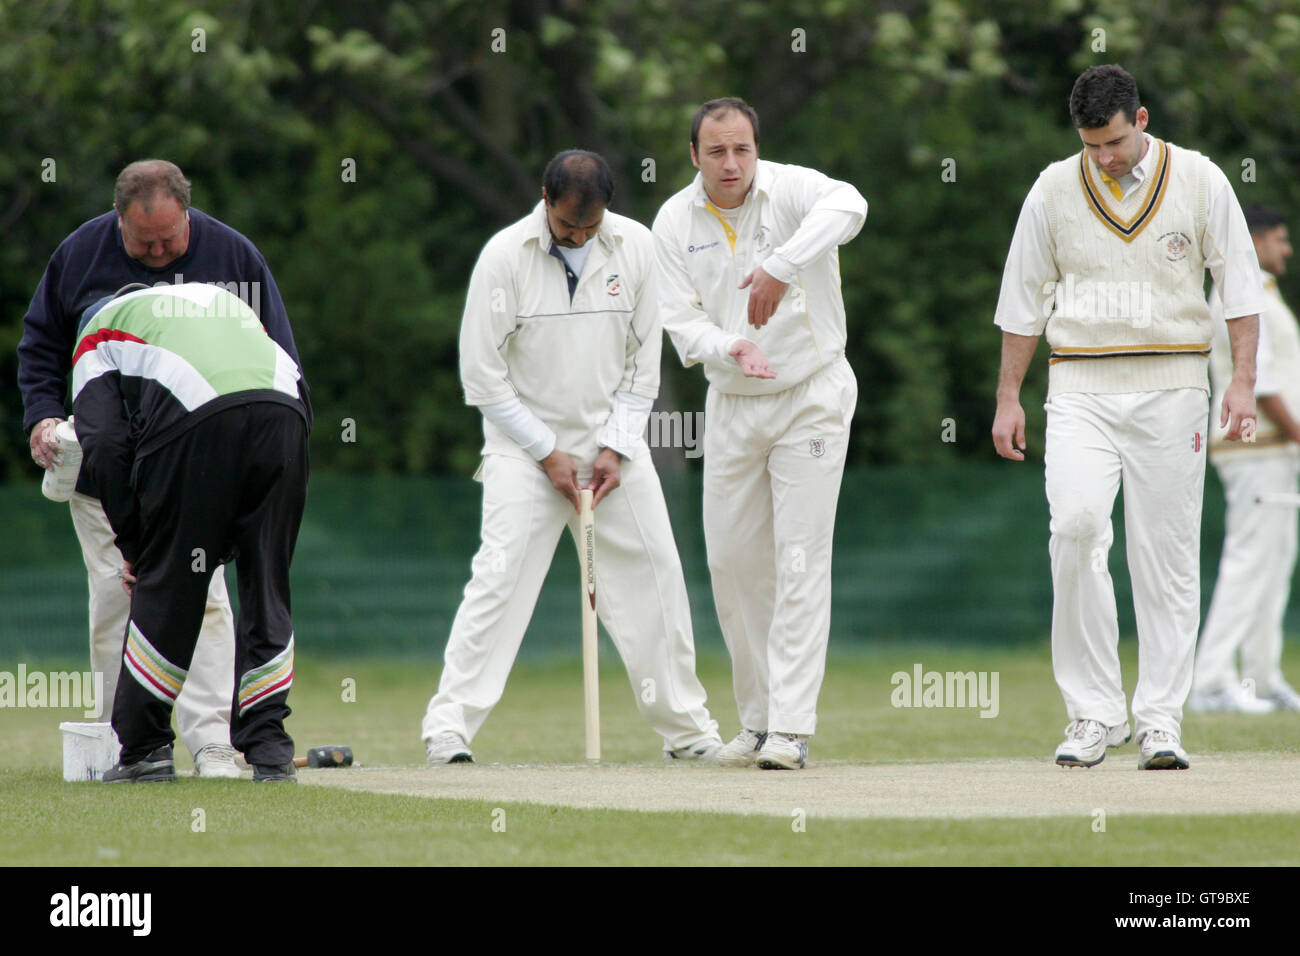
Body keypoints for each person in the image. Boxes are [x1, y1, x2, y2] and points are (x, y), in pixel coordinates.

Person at [991, 65, 1265, 770]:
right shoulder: (1054, 187)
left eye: (1113, 142)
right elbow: (1023, 300)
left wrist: (1240, 383)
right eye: (1091, 146)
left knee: (1167, 555)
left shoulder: (1201, 179)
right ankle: (1092, 713)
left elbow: (1237, 285)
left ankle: (1160, 720)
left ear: (1140, 121)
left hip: (1174, 386)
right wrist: (1006, 397)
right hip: (1080, 385)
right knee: (1075, 528)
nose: (1103, 159)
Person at [421, 150, 723, 763]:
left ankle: (688, 733)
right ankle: (449, 728)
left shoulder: (635, 248)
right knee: (498, 578)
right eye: (568, 229)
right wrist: (545, 451)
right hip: (521, 450)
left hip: (616, 449)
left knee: (659, 577)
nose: (579, 238)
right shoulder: (505, 256)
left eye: (590, 228)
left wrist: (614, 445)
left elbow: (644, 365)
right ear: (545, 200)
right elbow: (481, 378)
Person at [17, 159, 304, 778]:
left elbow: (275, 355)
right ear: (117, 219)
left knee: (207, 602)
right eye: (143, 242)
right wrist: (43, 417)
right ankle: (123, 744)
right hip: (104, 464)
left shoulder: (234, 256)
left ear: (188, 212)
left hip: (199, 463)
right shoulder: (78, 257)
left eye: (171, 241)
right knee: (114, 599)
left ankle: (211, 741)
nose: (158, 253)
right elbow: (41, 346)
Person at [652, 97, 867, 770]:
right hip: (733, 399)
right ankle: (759, 720)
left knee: (800, 558)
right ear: (694, 155)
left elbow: (852, 206)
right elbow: (678, 317)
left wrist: (783, 263)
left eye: (741, 148)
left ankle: (791, 730)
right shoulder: (672, 220)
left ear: (756, 147)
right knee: (733, 564)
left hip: (812, 394)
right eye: (716, 151)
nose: (731, 163)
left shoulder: (794, 190)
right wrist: (731, 347)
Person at [73, 282, 310, 783]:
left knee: (170, 585)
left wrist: (137, 545)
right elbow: (281, 371)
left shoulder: (94, 335)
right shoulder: (220, 302)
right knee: (267, 584)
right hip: (287, 413)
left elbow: (108, 447)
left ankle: (144, 750)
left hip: (199, 423)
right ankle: (269, 750)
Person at [1191, 205, 1300, 713]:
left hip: (1277, 449)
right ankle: (1211, 682)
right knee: (1249, 559)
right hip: (1254, 445)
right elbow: (1262, 381)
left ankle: (1261, 676)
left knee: (1275, 561)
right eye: (1279, 239)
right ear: (1255, 241)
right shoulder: (1241, 293)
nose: (1287, 249)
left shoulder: (1265, 293)